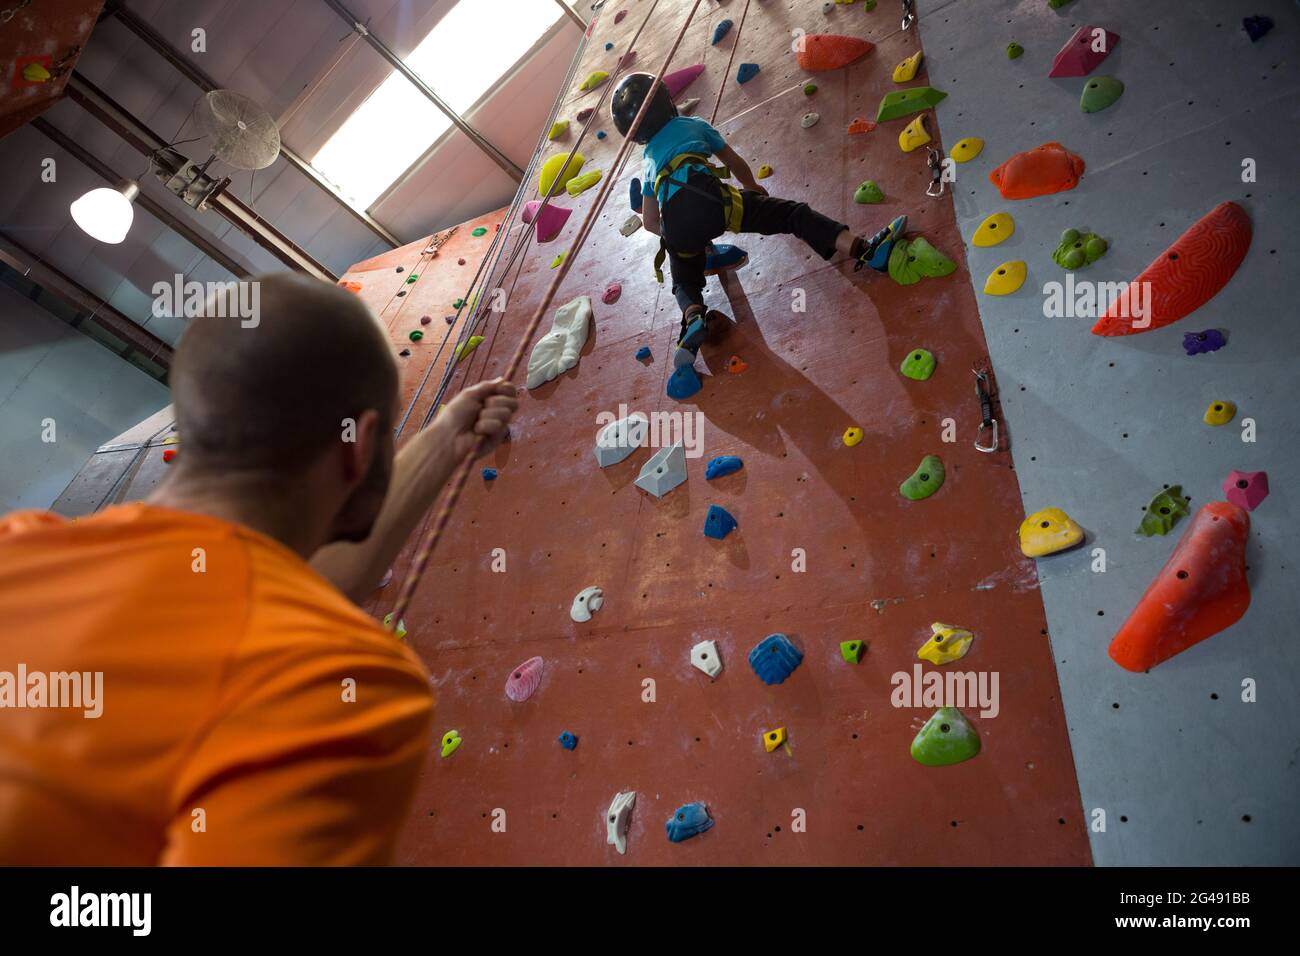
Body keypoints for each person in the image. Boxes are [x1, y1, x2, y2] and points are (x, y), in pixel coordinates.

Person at [0, 273, 518, 865]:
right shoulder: (336, 680)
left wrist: (446, 437)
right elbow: (277, 635)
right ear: (359, 444)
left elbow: (282, 601)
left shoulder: (21, 550)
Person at [611, 71, 906, 367]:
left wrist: (683, 235)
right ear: (666, 101)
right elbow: (734, 162)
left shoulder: (648, 160)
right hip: (718, 204)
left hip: (676, 227)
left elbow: (650, 222)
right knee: (792, 215)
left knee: (684, 279)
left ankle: (693, 319)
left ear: (633, 134)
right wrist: (753, 189)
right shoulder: (692, 125)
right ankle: (865, 250)